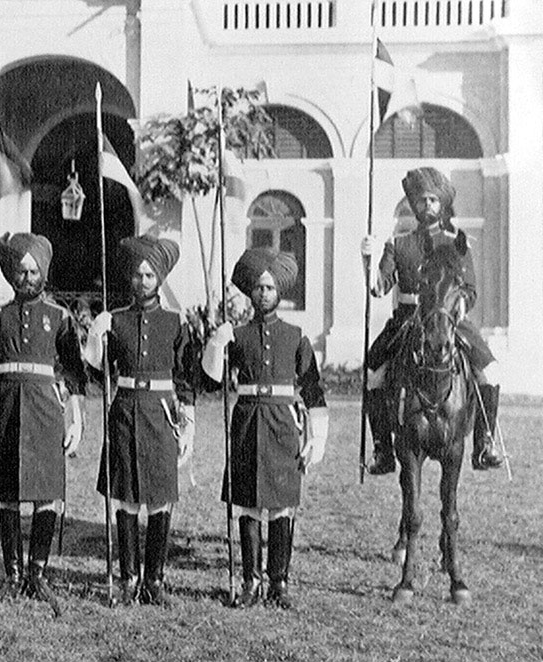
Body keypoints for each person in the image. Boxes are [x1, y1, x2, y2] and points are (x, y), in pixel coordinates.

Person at [202, 248, 328, 610]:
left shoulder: (296, 336)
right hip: (247, 422)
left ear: (279, 293)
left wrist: (315, 438)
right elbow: (210, 380)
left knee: (282, 505)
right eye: (258, 288)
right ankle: (250, 581)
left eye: (270, 288)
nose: (263, 294)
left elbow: (313, 389)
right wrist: (217, 342)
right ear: (250, 292)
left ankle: (279, 582)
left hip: (284, 423)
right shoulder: (237, 334)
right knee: (249, 503)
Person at [0, 232, 86, 617]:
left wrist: (77, 420)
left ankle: (37, 571)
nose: (27, 277)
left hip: (45, 409)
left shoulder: (59, 318)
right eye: (20, 271)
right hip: (6, 405)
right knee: (7, 490)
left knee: (45, 490)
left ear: (44, 274)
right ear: (11, 275)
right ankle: (12, 571)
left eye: (33, 271)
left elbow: (75, 374)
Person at [361, 167, 503, 474]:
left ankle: (484, 443)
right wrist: (368, 260)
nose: (427, 206)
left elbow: (470, 290)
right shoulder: (398, 243)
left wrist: (458, 305)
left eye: (433, 200)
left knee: (487, 372)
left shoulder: (455, 243)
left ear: (441, 205)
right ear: (414, 205)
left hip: (448, 318)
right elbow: (379, 288)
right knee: (374, 374)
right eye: (422, 200)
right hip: (406, 320)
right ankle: (383, 449)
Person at [84, 235, 196, 607]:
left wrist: (188, 421)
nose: (143, 281)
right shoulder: (115, 320)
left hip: (162, 412)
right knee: (127, 498)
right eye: (137, 275)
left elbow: (185, 378)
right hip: (126, 411)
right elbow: (98, 370)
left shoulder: (175, 323)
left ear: (159, 279)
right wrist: (96, 337)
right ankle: (130, 578)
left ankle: (155, 580)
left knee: (160, 499)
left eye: (150, 275)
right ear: (129, 278)